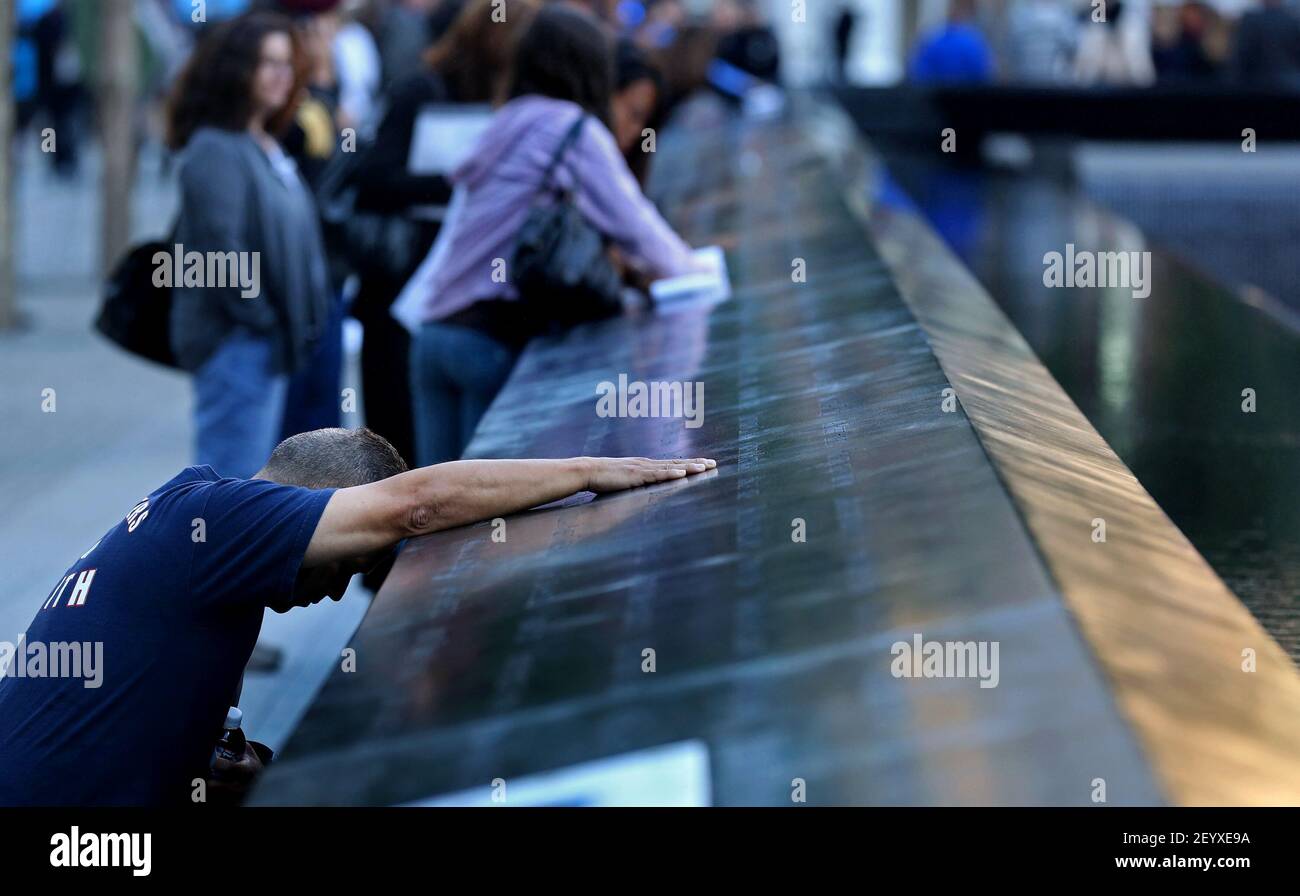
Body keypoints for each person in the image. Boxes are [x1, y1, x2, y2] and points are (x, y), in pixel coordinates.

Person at [0, 427, 716, 805]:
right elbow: (414, 504)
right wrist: (588, 472)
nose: (337, 593)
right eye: (348, 560)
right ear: (314, 504)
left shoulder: (190, 512)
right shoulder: (217, 520)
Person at [401, 4, 699, 466]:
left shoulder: (506, 120)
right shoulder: (572, 129)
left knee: (432, 514)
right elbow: (639, 228)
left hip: (434, 337)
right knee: (481, 517)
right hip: (489, 339)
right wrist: (697, 270)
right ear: (589, 66)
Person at [351, 0, 542, 468]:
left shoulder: (515, 100)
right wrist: (460, 180)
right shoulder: (422, 90)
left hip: (466, 291)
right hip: (403, 281)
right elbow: (371, 179)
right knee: (397, 439)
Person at [166, 11, 334, 479]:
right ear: (236, 70)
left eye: (287, 64)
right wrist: (263, 321)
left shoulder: (263, 142)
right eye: (268, 64)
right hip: (238, 344)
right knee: (230, 487)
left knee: (252, 486)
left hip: (267, 344)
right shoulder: (215, 148)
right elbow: (221, 253)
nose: (283, 76)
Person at [908, 0, 993, 86]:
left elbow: (918, 74)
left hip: (934, 96)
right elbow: (984, 76)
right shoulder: (974, 43)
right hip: (967, 96)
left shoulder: (931, 39)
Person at [1232, 0, 1300, 89]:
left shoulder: (1251, 21)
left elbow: (1241, 56)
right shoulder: (1293, 20)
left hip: (1259, 87)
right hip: (1291, 86)